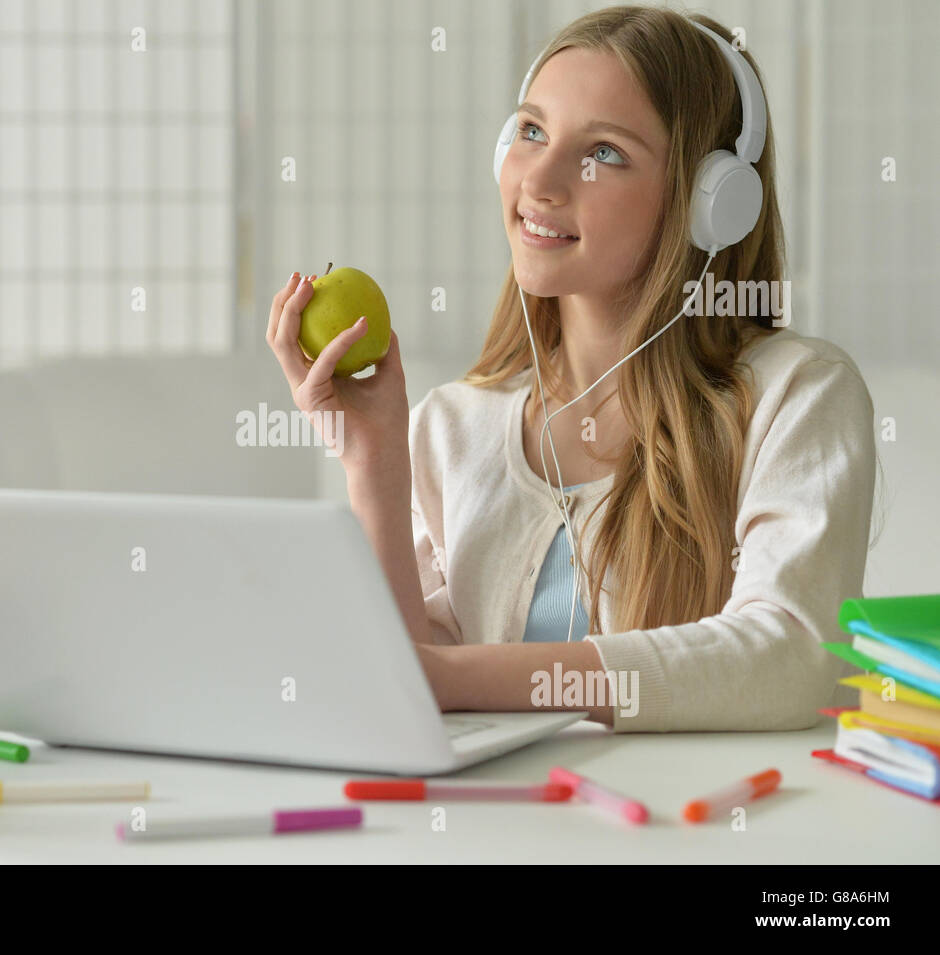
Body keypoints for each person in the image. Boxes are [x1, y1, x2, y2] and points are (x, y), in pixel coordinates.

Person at [264, 6, 882, 732]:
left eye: (606, 154)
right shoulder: (450, 426)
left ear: (711, 204)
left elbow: (789, 658)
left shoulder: (797, 394)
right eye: (531, 132)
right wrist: (370, 460)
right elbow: (413, 689)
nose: (542, 181)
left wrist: (453, 675)